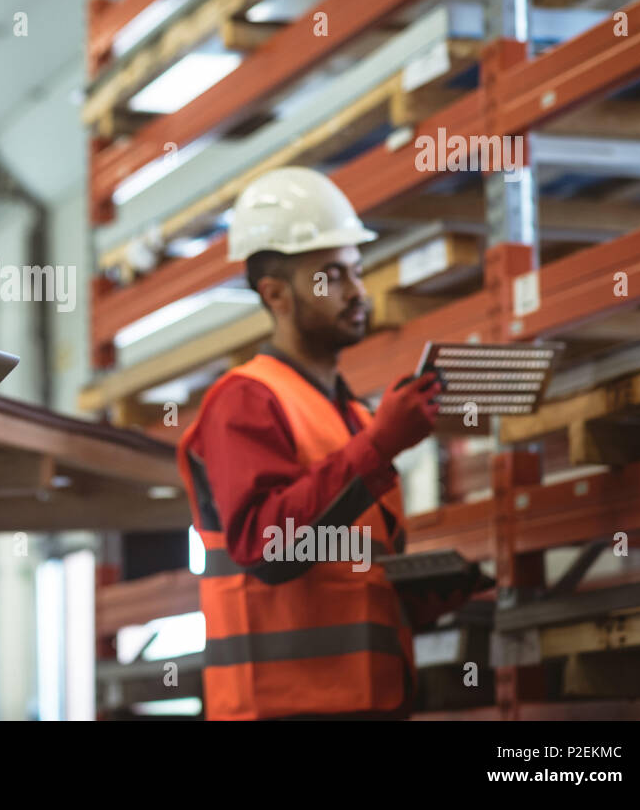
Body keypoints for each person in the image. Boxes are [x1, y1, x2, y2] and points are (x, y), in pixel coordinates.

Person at [176, 166, 456, 720]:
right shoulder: (244, 400)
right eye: (333, 276)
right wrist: (379, 447)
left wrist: (417, 599)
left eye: (356, 270)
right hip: (281, 709)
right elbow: (267, 546)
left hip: (372, 704)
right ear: (275, 294)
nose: (357, 292)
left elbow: (340, 577)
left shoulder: (354, 415)